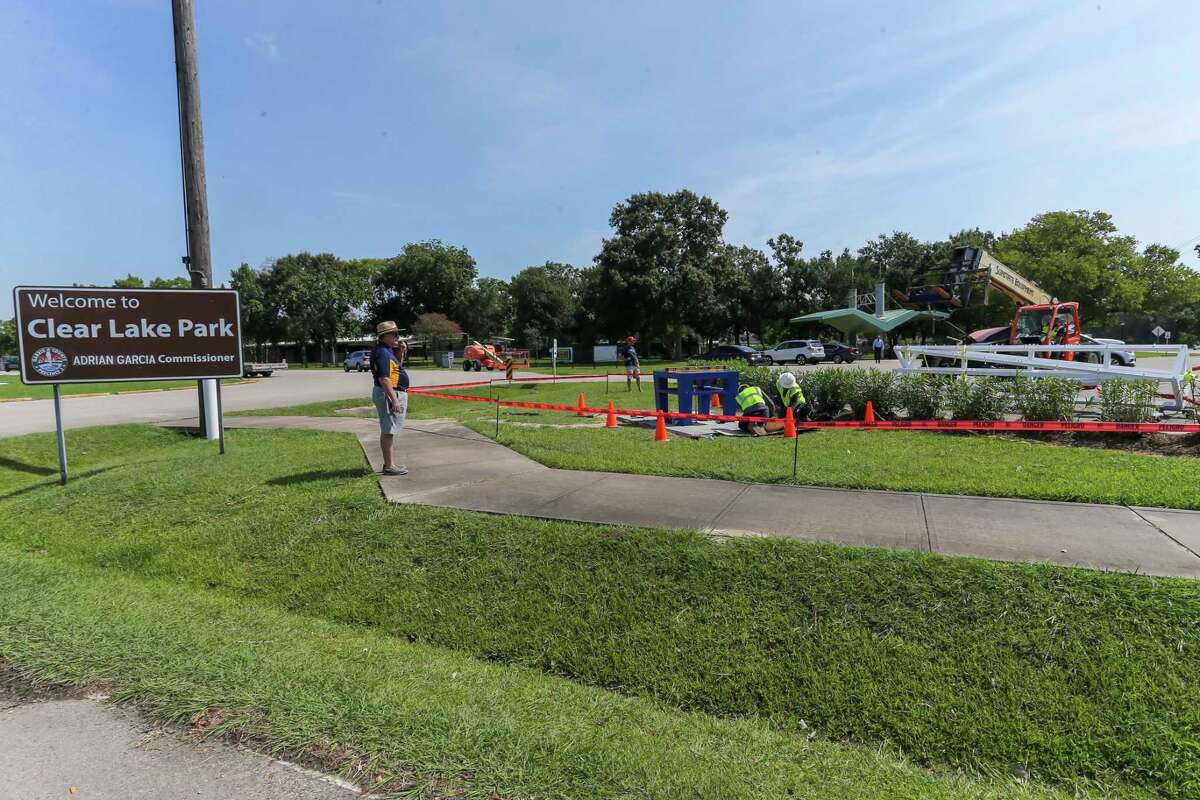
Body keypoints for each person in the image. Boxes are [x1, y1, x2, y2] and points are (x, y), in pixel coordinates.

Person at [370, 321, 409, 476]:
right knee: (388, 431)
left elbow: (396, 369)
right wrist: (394, 399)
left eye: (397, 334)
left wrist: (401, 352)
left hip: (393, 392)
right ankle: (389, 466)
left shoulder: (387, 351)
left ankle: (390, 464)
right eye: (394, 334)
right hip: (389, 393)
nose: (397, 337)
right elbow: (384, 379)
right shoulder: (382, 352)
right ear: (384, 336)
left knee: (390, 430)